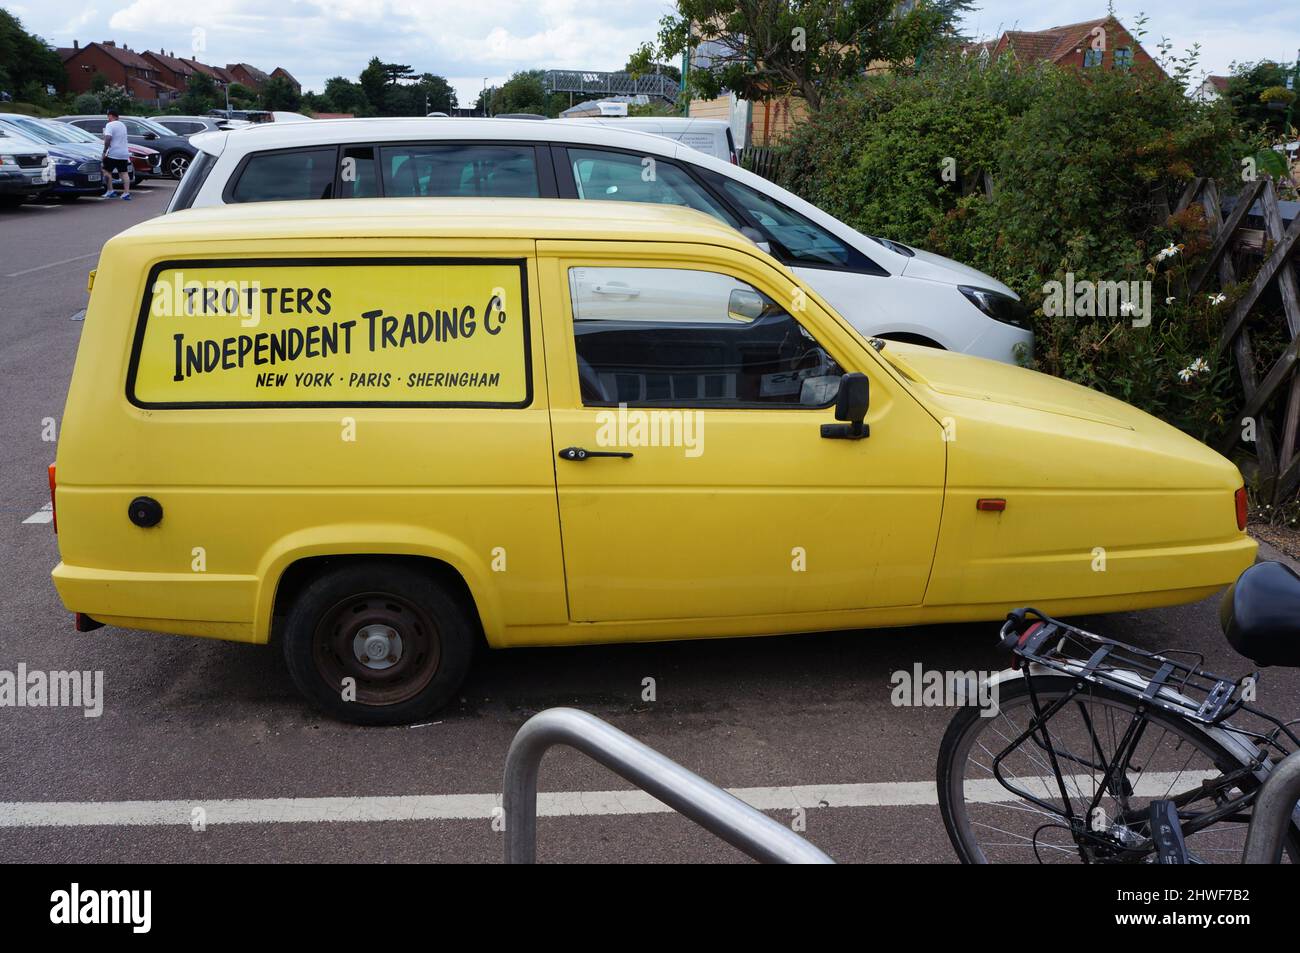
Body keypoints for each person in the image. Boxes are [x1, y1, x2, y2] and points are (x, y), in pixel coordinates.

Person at [101, 109, 131, 201]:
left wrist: (105, 150)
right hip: (124, 152)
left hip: (113, 152)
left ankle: (110, 191)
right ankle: (126, 193)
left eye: (108, 116)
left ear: (111, 116)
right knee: (124, 173)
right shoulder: (123, 125)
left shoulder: (109, 125)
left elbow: (108, 138)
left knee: (106, 171)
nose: (108, 118)